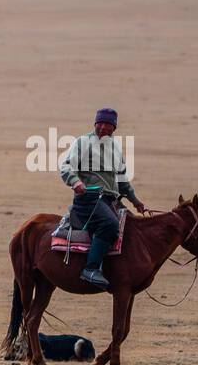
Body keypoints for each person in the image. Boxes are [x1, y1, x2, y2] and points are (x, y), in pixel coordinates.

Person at [59, 107, 146, 288]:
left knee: (132, 229)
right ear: (95, 124)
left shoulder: (115, 149)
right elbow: (66, 166)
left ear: (114, 128)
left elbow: (122, 180)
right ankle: (90, 269)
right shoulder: (82, 143)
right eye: (101, 123)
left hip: (110, 200)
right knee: (110, 225)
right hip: (89, 198)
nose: (104, 128)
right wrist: (75, 182)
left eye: (108, 125)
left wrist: (135, 200)